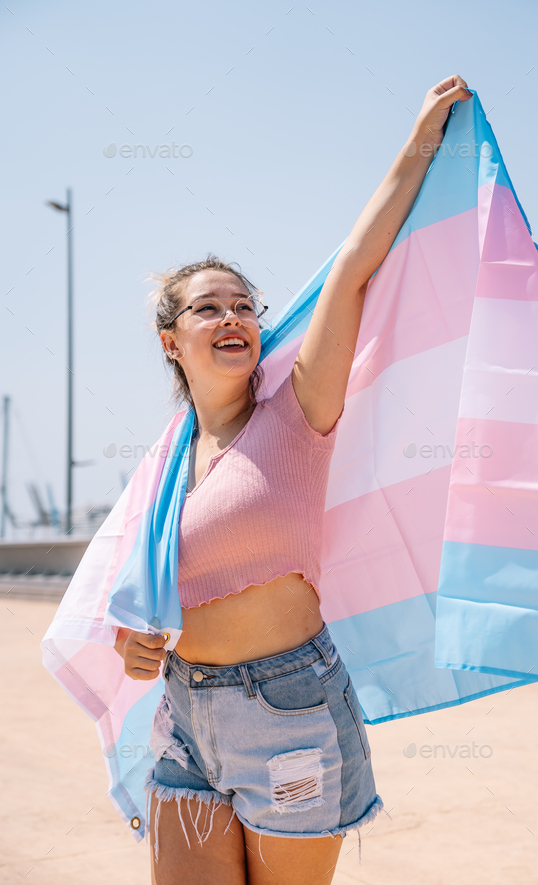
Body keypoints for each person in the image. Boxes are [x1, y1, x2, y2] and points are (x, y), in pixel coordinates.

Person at [114, 74, 472, 885]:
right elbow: (140, 604)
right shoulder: (166, 465)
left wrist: (422, 135)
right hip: (184, 715)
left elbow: (350, 269)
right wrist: (134, 643)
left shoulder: (297, 415)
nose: (234, 316)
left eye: (245, 304)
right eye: (209, 308)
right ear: (172, 341)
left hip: (290, 712)